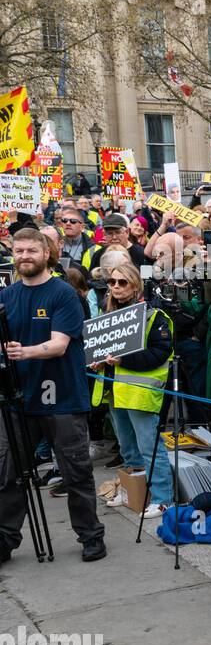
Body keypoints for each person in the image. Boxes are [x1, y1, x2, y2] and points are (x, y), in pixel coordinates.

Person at [0, 228, 106, 562]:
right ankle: (5, 539)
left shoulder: (63, 294)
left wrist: (23, 352)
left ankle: (91, 536)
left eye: (31, 250)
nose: (24, 256)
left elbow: (59, 345)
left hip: (61, 399)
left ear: (47, 253)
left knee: (75, 472)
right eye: (19, 251)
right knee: (8, 474)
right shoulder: (6, 296)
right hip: (18, 400)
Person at [89, 263, 174, 518]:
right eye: (112, 282)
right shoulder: (107, 316)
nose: (115, 287)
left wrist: (123, 360)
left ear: (136, 285)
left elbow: (160, 354)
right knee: (128, 449)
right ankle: (134, 492)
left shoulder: (154, 316)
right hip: (114, 391)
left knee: (149, 447)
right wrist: (97, 360)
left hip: (139, 393)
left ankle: (162, 498)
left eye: (122, 282)